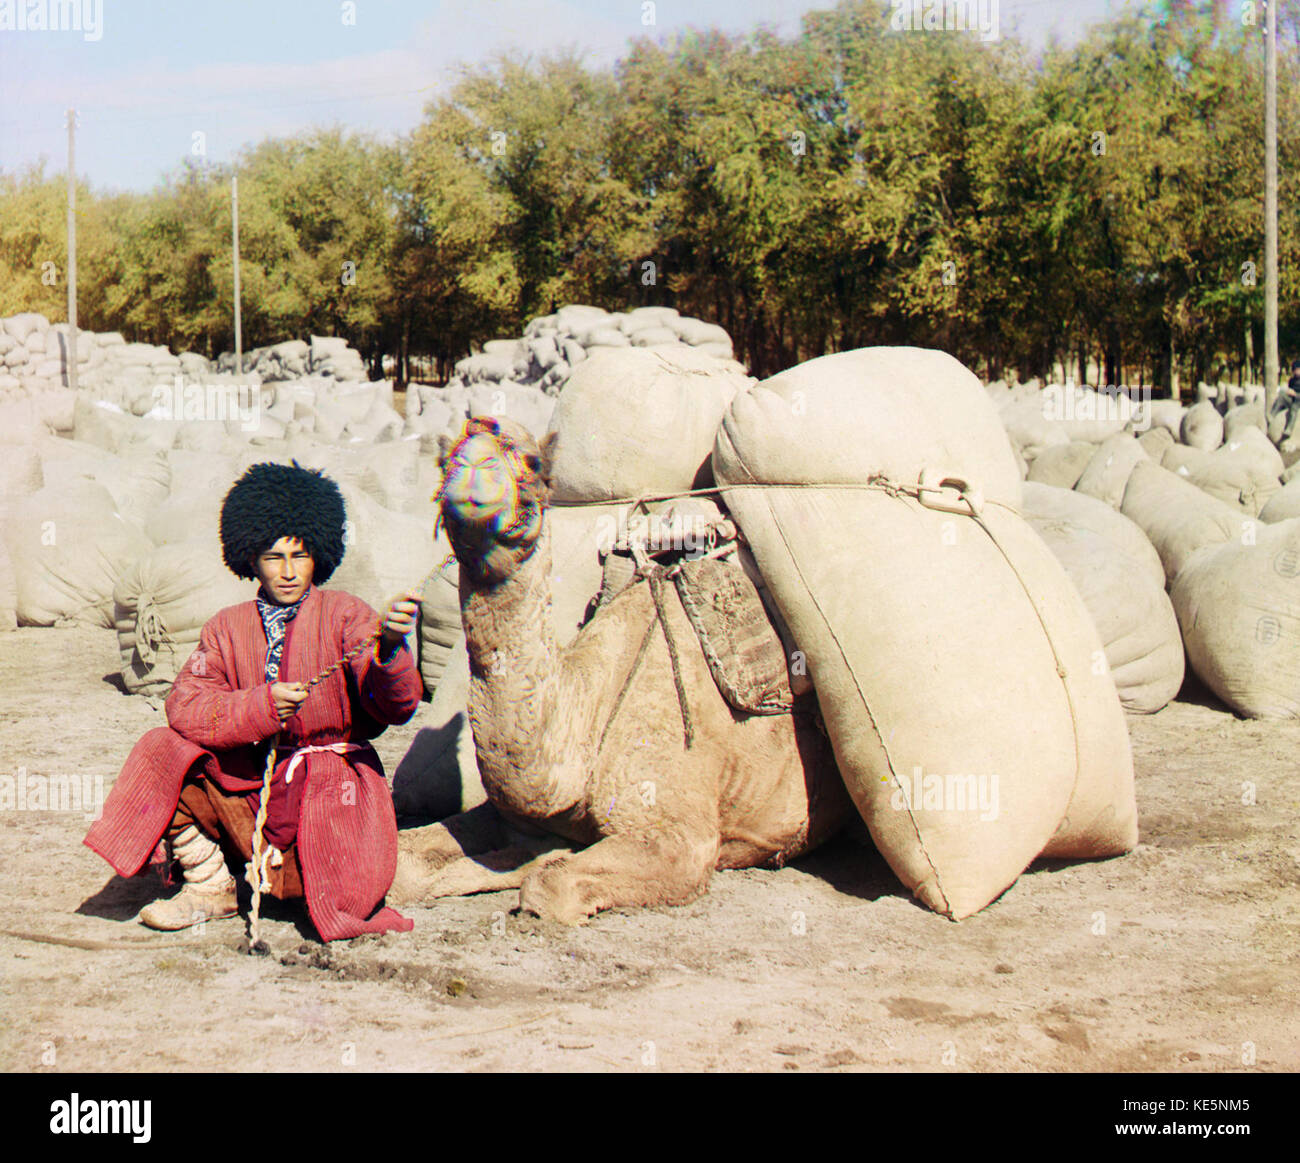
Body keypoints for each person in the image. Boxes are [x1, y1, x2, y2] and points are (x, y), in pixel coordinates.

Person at [84, 462, 425, 940]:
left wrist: (389, 648)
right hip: (251, 782)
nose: (287, 572)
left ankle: (296, 876)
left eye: (299, 555)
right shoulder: (226, 627)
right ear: (249, 558)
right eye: (273, 557)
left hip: (330, 787)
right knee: (164, 750)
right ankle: (210, 886)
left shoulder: (347, 614)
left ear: (320, 554)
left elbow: (397, 705)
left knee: (327, 895)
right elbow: (186, 706)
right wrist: (260, 707)